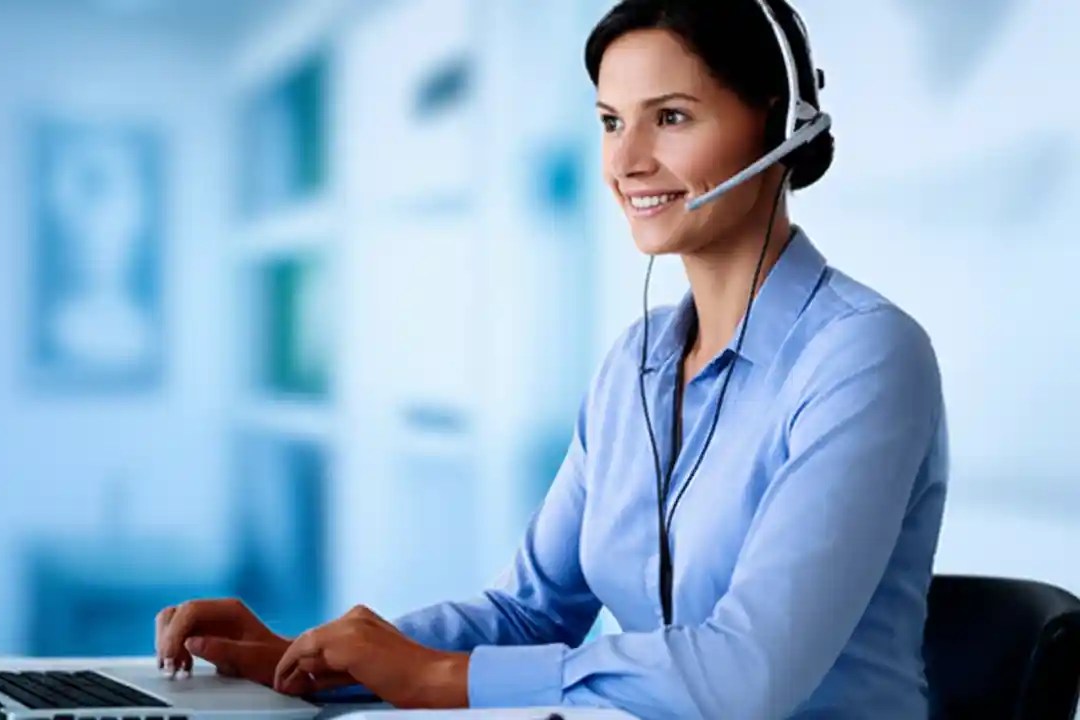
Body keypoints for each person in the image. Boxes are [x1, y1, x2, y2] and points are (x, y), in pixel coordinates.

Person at [154, 0, 949, 717]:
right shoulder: (634, 366)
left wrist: (437, 680)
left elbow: (748, 675)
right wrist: (311, 657)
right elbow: (532, 613)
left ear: (776, 126)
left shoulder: (862, 357)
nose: (627, 160)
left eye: (670, 117)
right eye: (610, 121)